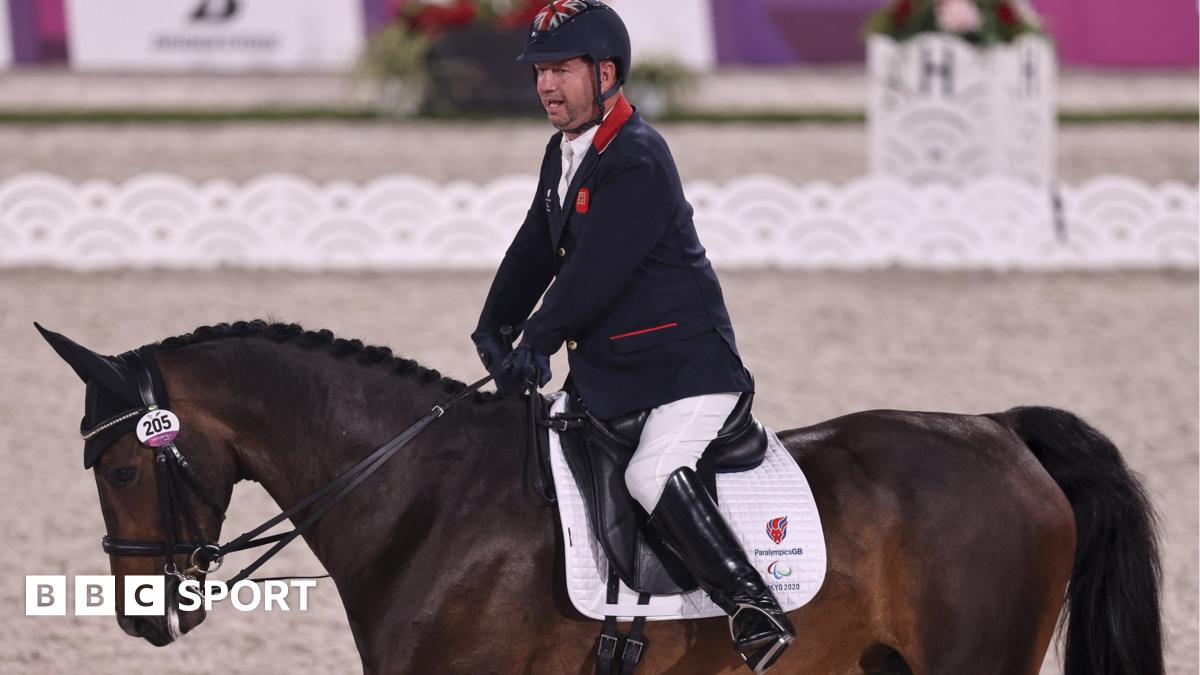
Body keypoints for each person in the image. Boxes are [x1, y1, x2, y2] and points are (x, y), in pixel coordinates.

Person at [470, 1, 794, 669]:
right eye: (539, 72)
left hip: (686, 370)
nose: (546, 87)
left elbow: (598, 271)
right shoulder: (565, 152)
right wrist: (496, 321)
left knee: (652, 472)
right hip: (613, 373)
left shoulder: (638, 156)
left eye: (560, 70)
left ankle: (753, 605)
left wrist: (540, 335)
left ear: (606, 72)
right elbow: (536, 244)